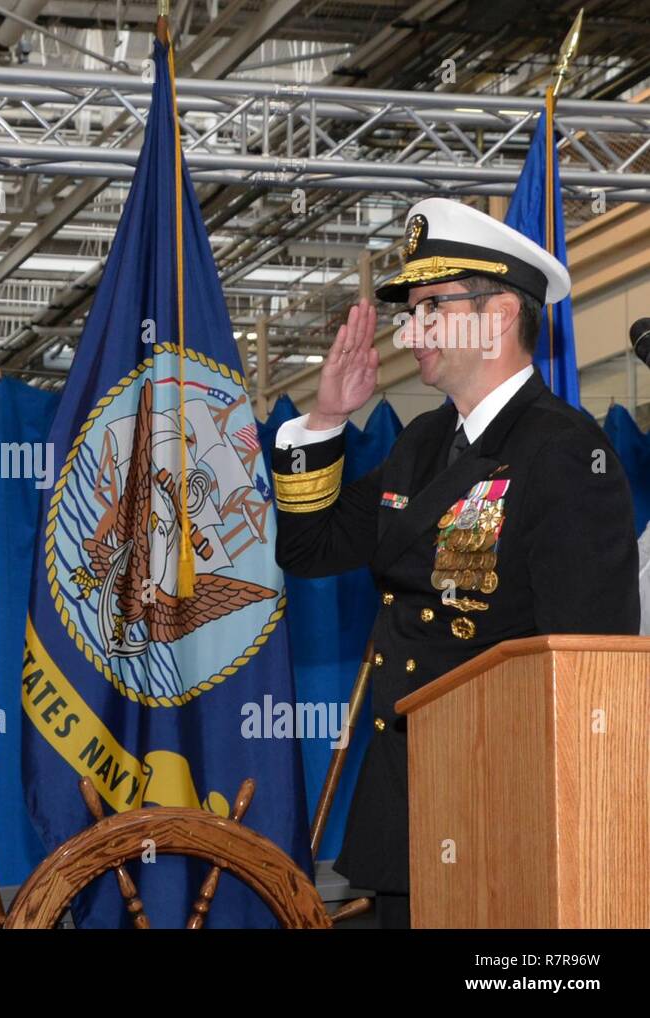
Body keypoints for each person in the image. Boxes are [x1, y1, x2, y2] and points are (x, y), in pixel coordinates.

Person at [270, 197, 638, 928]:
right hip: (411, 798)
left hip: (505, 804)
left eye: (433, 305)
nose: (414, 327)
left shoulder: (562, 452)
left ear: (500, 316)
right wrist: (327, 422)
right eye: (412, 308)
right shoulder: (423, 443)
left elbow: (587, 669)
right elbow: (310, 551)